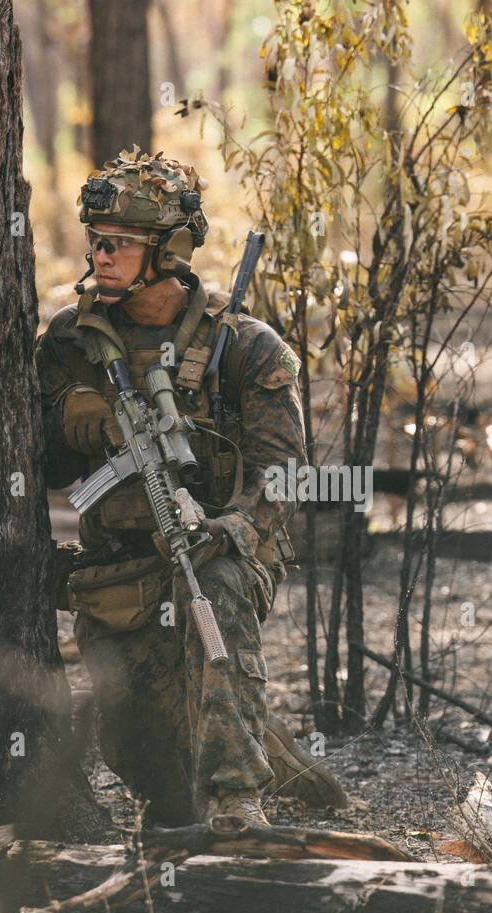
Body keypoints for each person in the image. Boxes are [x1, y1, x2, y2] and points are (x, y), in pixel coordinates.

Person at [35, 150, 344, 826]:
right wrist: (69, 423)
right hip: (116, 565)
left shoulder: (247, 347)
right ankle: (267, 756)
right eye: (96, 242)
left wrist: (230, 529)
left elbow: (282, 469)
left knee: (219, 607)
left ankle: (238, 794)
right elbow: (43, 470)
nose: (102, 256)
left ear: (169, 250)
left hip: (214, 553)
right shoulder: (71, 341)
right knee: (144, 761)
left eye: (118, 244)